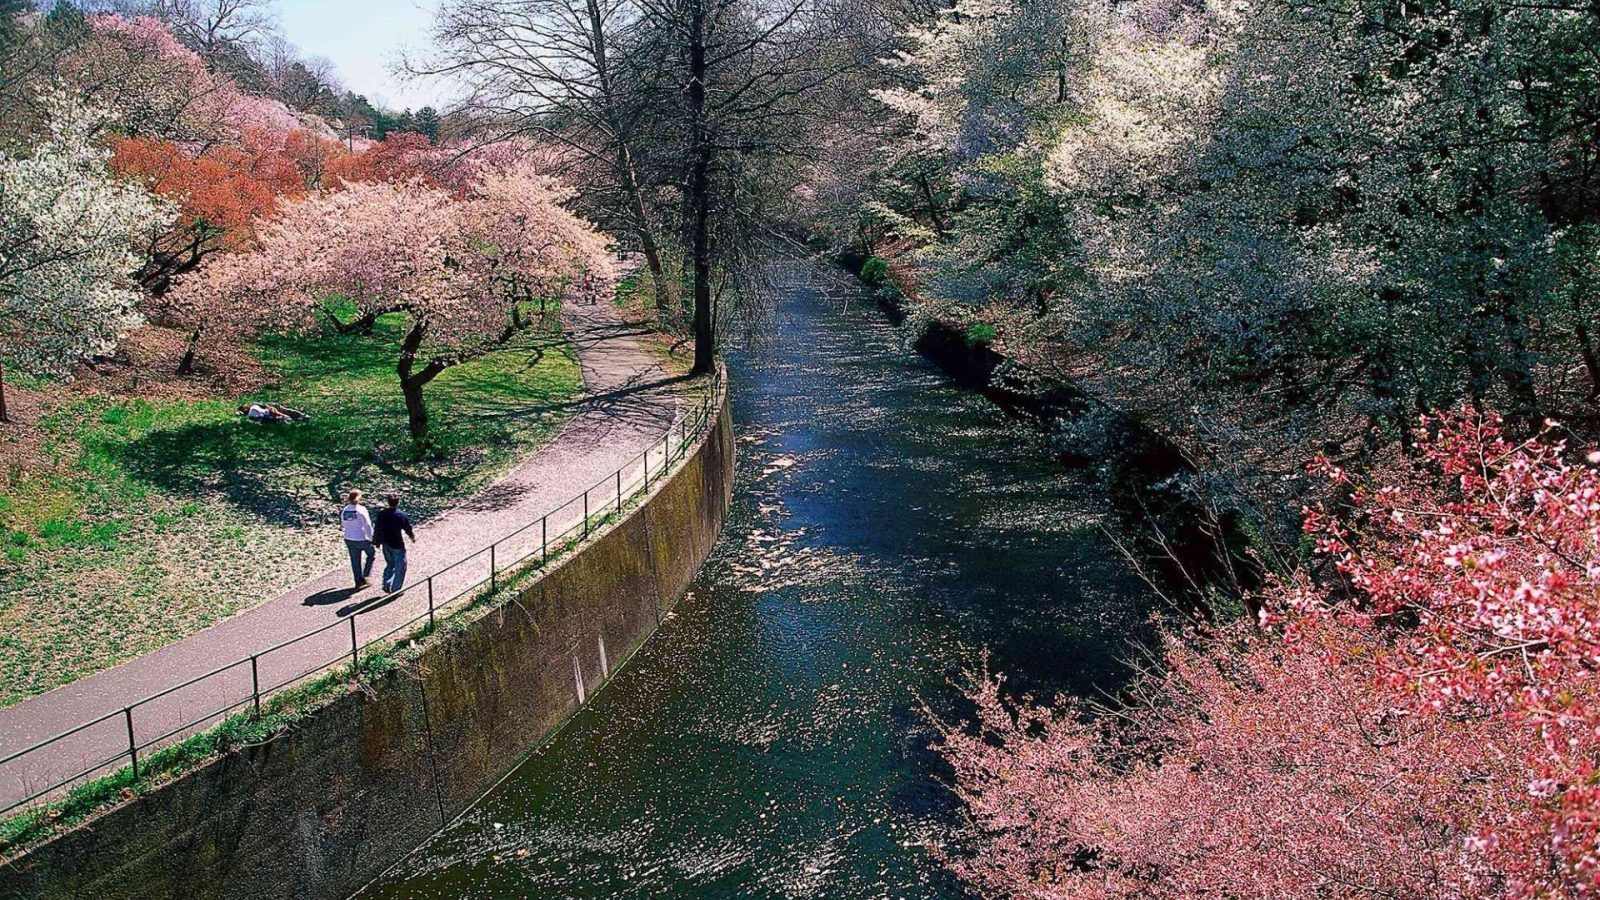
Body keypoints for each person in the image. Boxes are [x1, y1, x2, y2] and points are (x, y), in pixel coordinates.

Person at [373, 494, 415, 593]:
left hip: (385, 543)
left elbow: (377, 528)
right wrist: (412, 537)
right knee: (401, 567)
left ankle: (386, 584)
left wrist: (377, 541)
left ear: (388, 502)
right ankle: (396, 589)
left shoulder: (382, 514)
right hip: (397, 544)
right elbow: (407, 528)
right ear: (398, 503)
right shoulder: (400, 515)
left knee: (390, 564)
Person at [340, 489, 374, 588]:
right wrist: (371, 538)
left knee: (355, 560)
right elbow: (367, 525)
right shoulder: (361, 509)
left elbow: (343, 523)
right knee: (371, 554)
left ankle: (358, 581)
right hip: (361, 537)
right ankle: (365, 575)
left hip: (348, 537)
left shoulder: (345, 509)